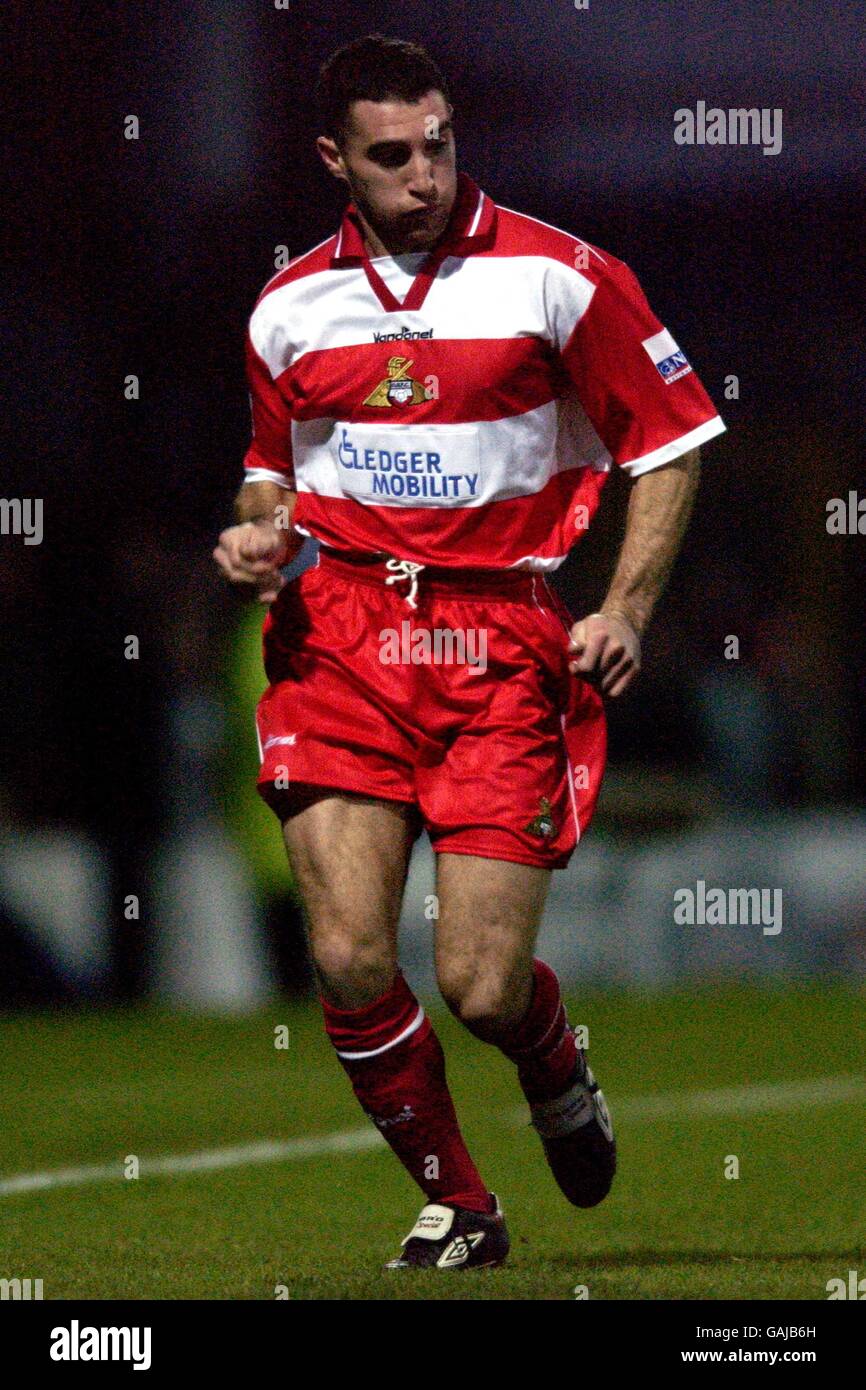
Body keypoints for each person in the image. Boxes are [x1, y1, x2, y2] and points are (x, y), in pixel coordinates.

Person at [213, 34, 725, 1270]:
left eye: (438, 142)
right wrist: (255, 538)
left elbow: (670, 439)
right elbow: (271, 479)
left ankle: (552, 1064)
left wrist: (627, 610)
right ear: (336, 160)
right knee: (344, 951)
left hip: (495, 638)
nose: (425, 174)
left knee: (482, 986)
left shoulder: (562, 276)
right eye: (392, 155)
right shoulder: (287, 309)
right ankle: (461, 1203)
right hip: (337, 638)